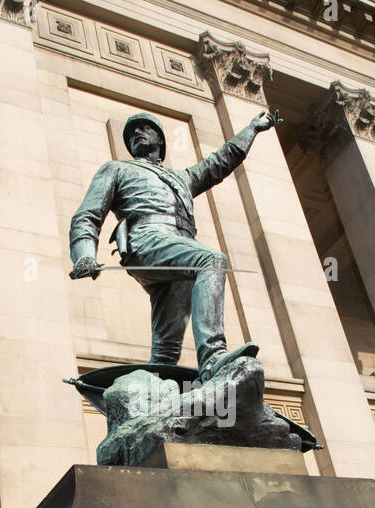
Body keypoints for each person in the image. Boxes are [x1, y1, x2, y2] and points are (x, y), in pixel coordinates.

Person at [68, 109, 277, 381]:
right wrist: (84, 254)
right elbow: (88, 215)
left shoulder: (183, 178)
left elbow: (221, 161)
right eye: (131, 133)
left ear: (160, 140)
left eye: (144, 128)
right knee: (211, 260)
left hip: (179, 251)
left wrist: (252, 130)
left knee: (166, 353)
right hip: (146, 240)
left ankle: (149, 390)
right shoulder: (116, 169)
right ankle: (213, 355)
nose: (136, 133)